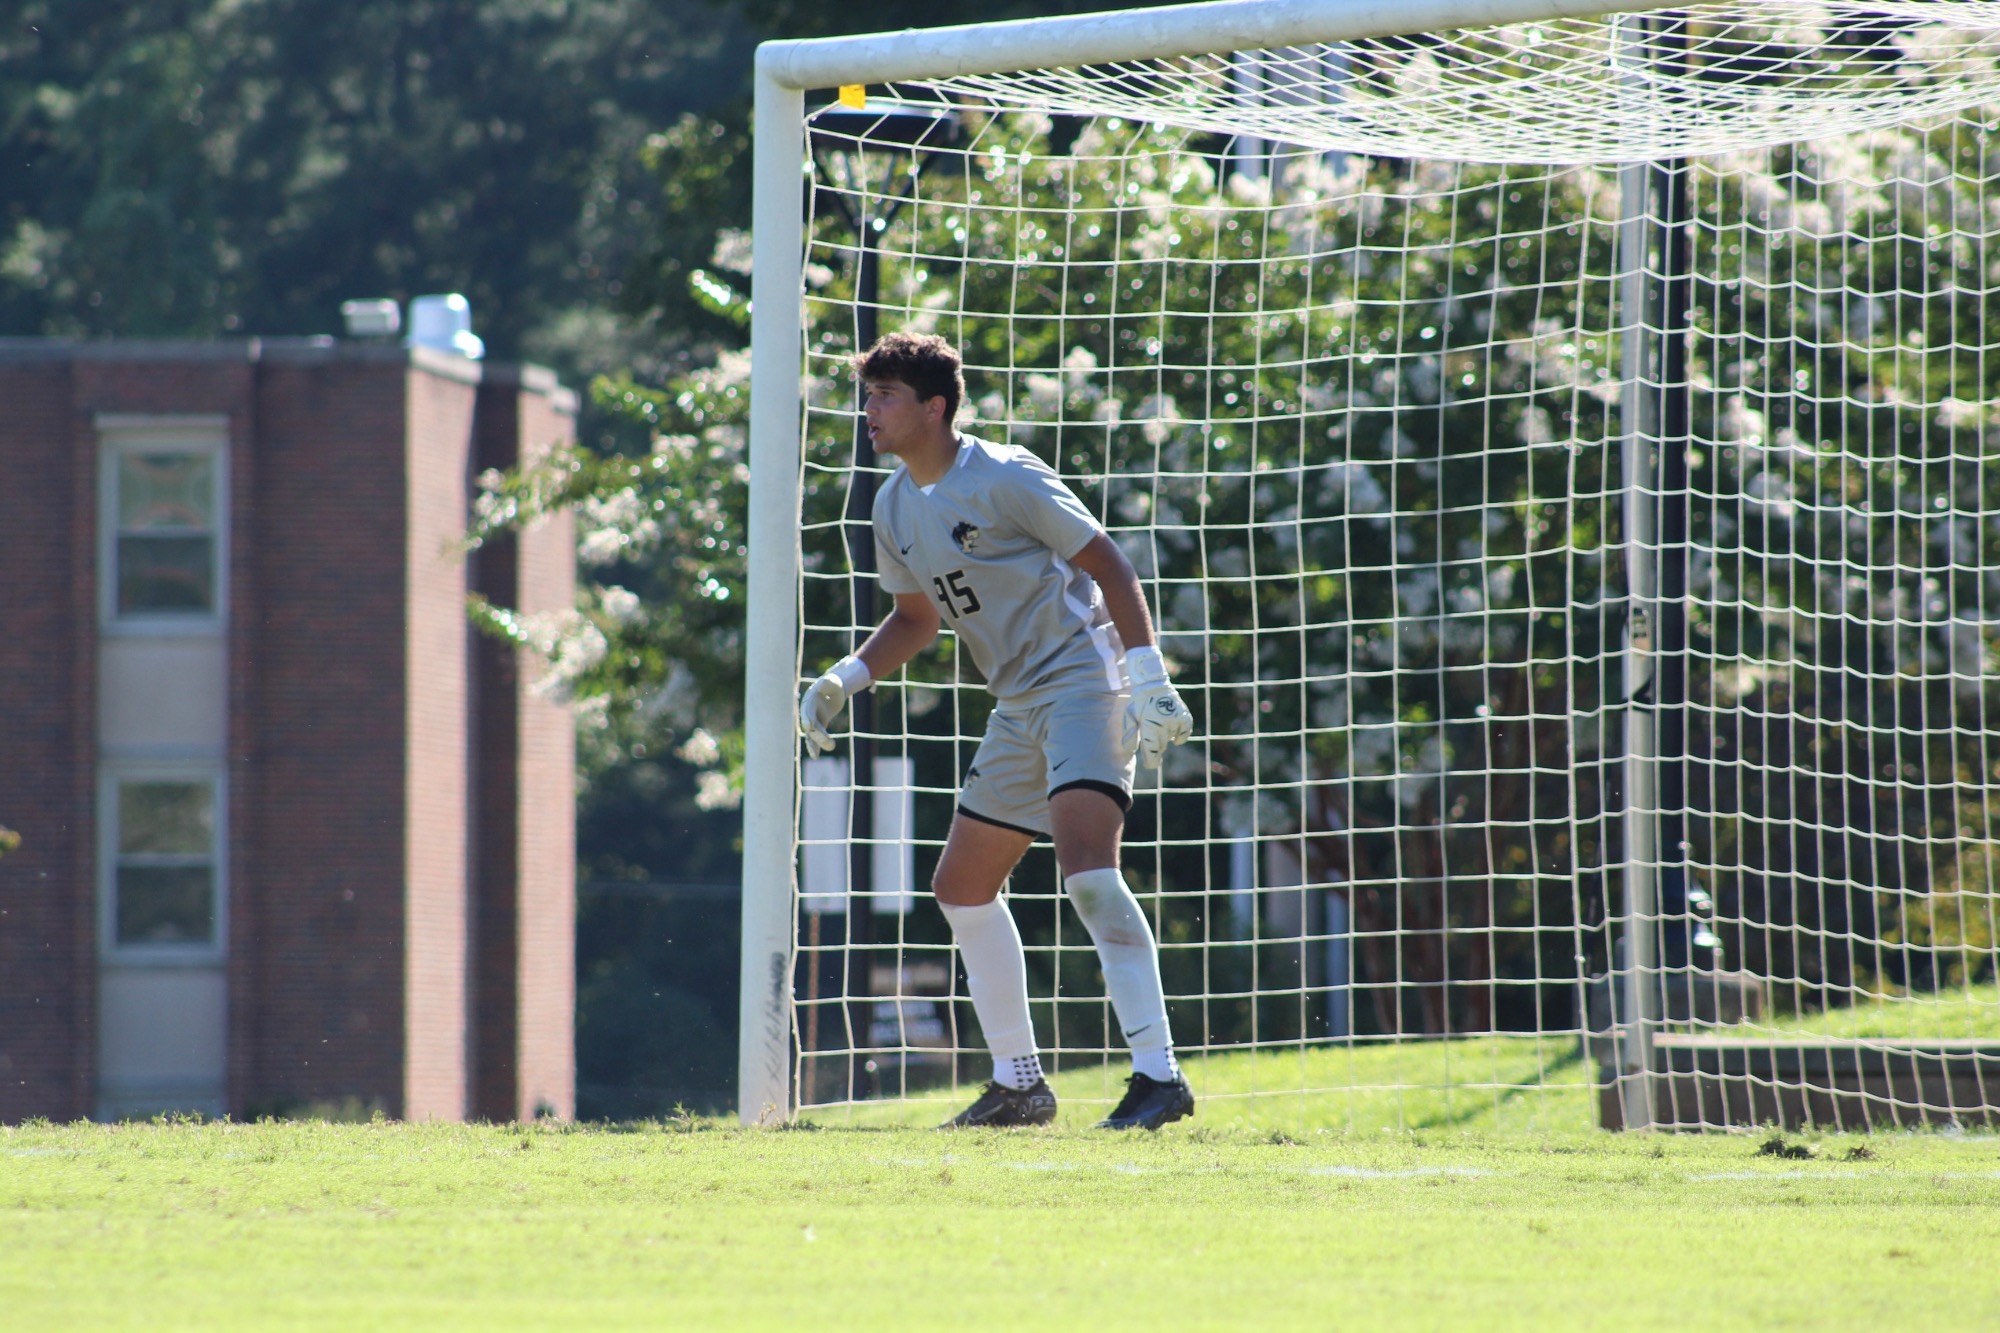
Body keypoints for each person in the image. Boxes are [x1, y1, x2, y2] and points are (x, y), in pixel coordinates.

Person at [799, 331, 1196, 1130]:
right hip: (1017, 703)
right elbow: (917, 618)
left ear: (934, 407)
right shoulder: (892, 504)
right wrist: (849, 674)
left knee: (1087, 871)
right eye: (865, 395)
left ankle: (1159, 1076)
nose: (868, 411)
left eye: (885, 397)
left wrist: (1148, 677)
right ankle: (1020, 1085)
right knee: (961, 887)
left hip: (1087, 680)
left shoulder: (1005, 474)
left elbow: (1110, 564)